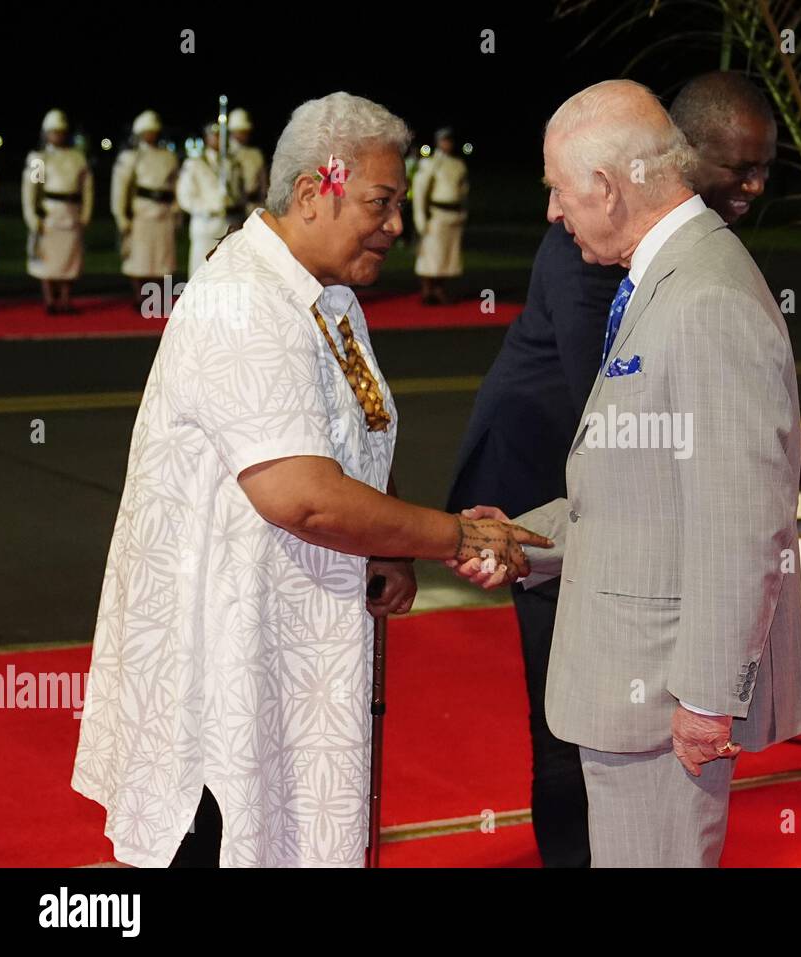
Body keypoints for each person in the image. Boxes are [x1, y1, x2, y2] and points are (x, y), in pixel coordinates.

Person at [71, 91, 549, 868]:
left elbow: (361, 429)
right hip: (224, 662)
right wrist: (450, 534)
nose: (398, 225)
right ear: (310, 192)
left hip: (292, 643)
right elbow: (304, 496)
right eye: (380, 202)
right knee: (222, 840)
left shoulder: (327, 299)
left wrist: (386, 546)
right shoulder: (245, 303)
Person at [445, 69, 801, 867]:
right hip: (630, 690)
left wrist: (710, 697)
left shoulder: (704, 299)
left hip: (663, 700)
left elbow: (740, 521)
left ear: (607, 188)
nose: (551, 209)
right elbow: (638, 497)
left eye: (558, 189)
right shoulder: (661, 280)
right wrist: (523, 536)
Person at [22, 109, 92, 314]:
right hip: (49, 214)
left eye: (61, 131)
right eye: (53, 131)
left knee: (70, 260)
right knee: (48, 262)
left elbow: (87, 189)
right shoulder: (40, 158)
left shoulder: (77, 158)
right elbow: (32, 190)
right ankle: (50, 301)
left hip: (71, 213)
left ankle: (66, 299)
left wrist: (85, 214)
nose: (57, 135)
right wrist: (33, 217)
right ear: (46, 133)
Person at [111, 110, 180, 308]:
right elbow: (120, 190)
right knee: (139, 258)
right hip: (141, 213)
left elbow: (175, 186)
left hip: (164, 212)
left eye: (154, 131)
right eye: (147, 131)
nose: (152, 134)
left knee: (162, 259)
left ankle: (158, 299)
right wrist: (121, 217)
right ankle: (139, 297)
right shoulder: (130, 157)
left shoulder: (168, 156)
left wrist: (176, 211)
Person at [176, 121, 245, 277]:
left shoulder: (231, 163)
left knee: (227, 272)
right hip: (206, 224)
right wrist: (208, 208)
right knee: (201, 271)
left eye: (222, 135)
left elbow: (240, 193)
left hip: (228, 224)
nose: (219, 138)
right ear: (207, 138)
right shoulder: (194, 163)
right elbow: (184, 197)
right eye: (215, 135)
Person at [412, 126, 468, 304]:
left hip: (452, 214)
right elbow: (420, 192)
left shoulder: (458, 165)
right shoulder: (430, 164)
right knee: (431, 255)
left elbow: (463, 191)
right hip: (435, 214)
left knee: (448, 255)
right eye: (444, 140)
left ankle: (439, 289)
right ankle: (427, 290)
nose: (447, 144)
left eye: (449, 140)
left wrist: (462, 213)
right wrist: (420, 218)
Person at [229, 107, 270, 216]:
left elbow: (263, 181)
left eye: (246, 131)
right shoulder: (224, 155)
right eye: (241, 131)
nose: (245, 134)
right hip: (232, 210)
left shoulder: (255, 155)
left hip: (252, 206)